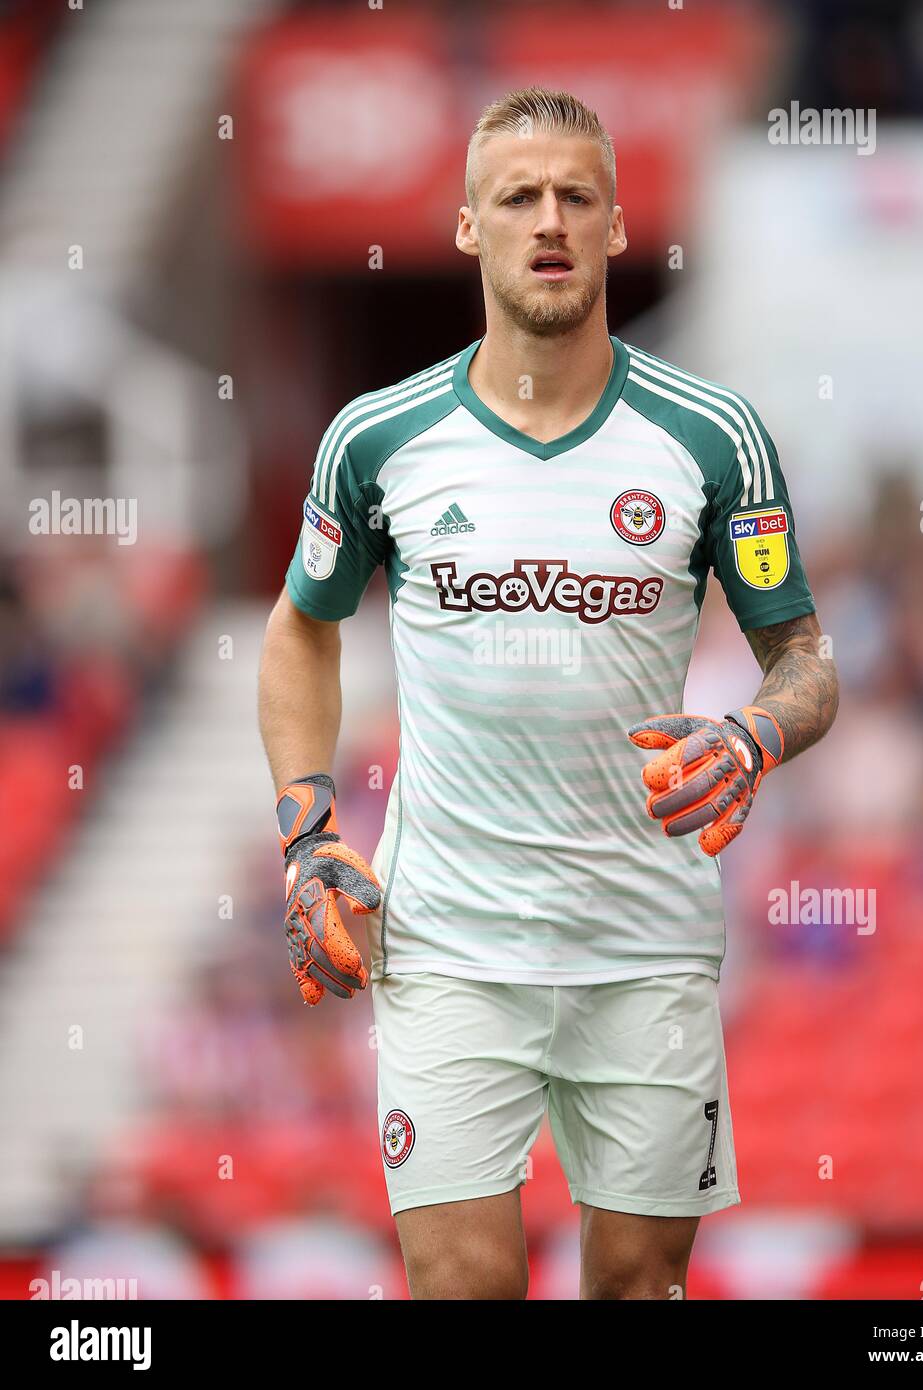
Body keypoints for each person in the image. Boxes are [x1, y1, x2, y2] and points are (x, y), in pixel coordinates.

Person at [258, 87, 839, 1300]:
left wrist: (755, 731)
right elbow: (300, 633)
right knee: (464, 1283)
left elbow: (807, 658)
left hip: (645, 942)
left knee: (638, 1287)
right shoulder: (378, 436)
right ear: (469, 228)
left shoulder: (714, 436)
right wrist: (309, 833)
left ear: (621, 225)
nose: (550, 219)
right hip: (449, 941)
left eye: (578, 194)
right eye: (517, 196)